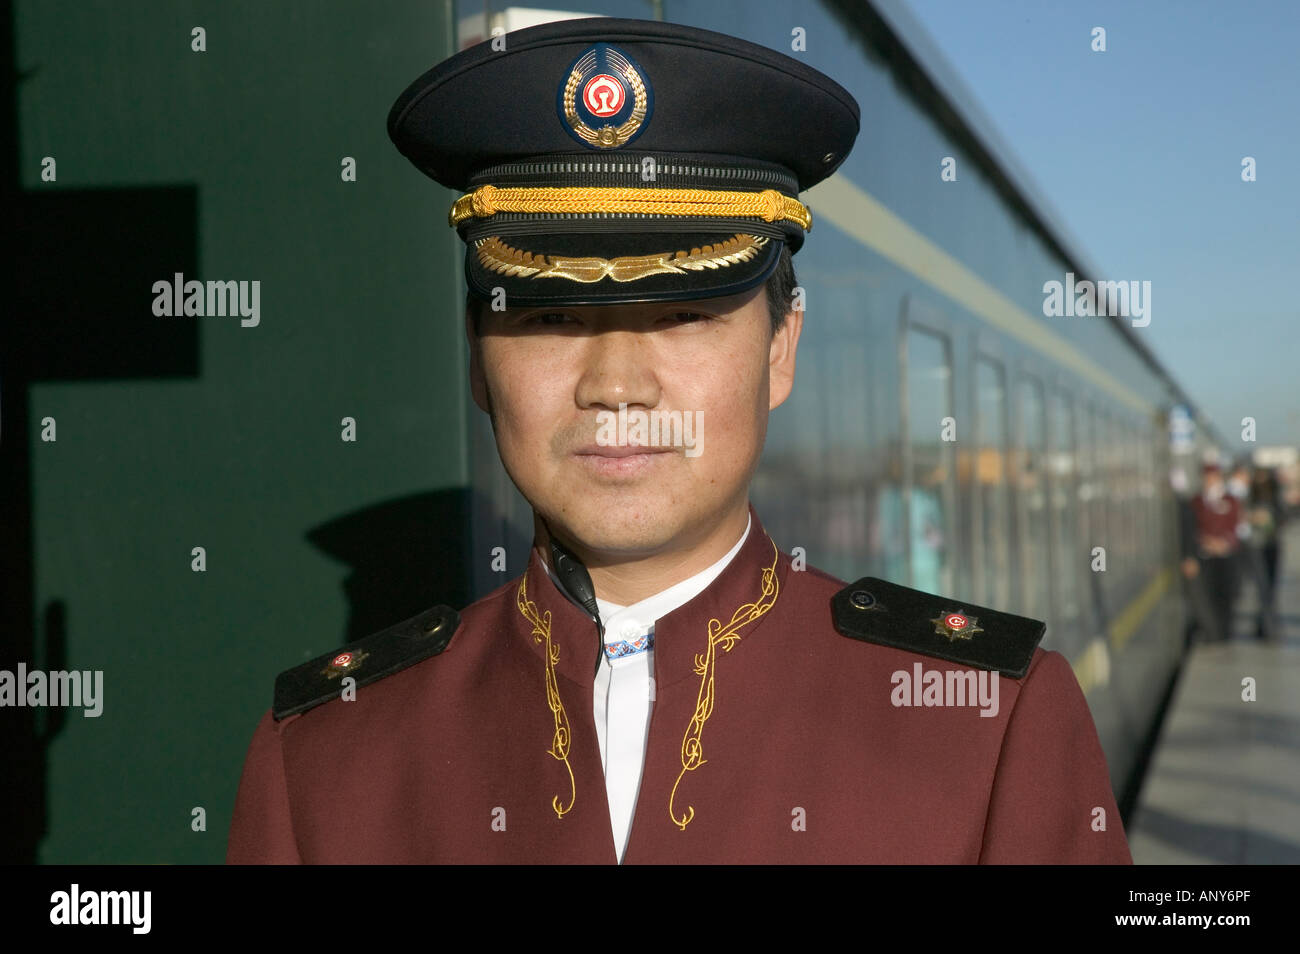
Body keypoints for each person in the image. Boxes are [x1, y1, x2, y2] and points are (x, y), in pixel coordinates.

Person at [227, 17, 1131, 864]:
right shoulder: (322, 759)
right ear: (478, 359)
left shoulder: (989, 728)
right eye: (550, 315)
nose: (615, 385)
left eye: (685, 313)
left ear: (780, 350)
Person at [1191, 461, 1243, 642]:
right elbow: (1191, 527)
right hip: (1205, 555)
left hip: (1225, 554)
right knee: (1208, 594)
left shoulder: (1230, 500)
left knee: (1225, 594)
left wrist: (1224, 543)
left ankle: (1225, 631)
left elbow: (1236, 526)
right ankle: (1212, 633)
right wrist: (1204, 542)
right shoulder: (1197, 501)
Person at [1247, 466, 1285, 640]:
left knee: (1270, 586)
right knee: (1262, 586)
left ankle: (1266, 623)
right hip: (1255, 546)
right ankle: (1267, 627)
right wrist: (1251, 517)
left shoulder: (1275, 497)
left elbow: (1284, 516)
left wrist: (1271, 518)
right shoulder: (1248, 497)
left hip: (1272, 545)